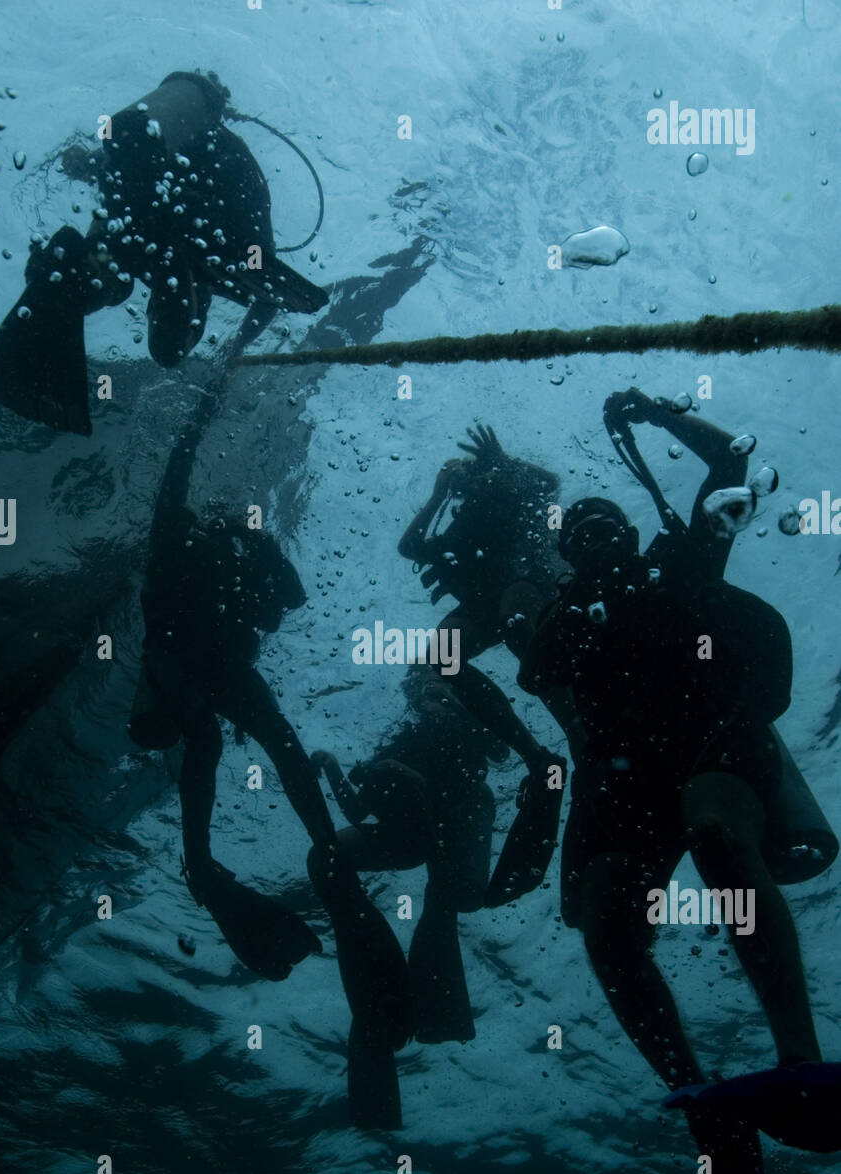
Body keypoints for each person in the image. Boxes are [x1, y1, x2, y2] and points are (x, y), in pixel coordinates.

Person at [519, 387, 840, 1174]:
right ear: (565, 553)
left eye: (604, 519)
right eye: (577, 527)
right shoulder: (561, 622)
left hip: (714, 736)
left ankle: (798, 1057)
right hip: (623, 776)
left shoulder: (686, 559)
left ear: (632, 530)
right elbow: (542, 686)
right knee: (609, 925)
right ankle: (704, 1106)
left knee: (717, 833)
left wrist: (660, 415)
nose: (593, 531)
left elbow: (731, 463)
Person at [129, 395, 413, 1126]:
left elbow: (180, 472)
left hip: (201, 658)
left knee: (226, 738)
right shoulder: (188, 556)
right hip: (209, 661)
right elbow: (181, 472)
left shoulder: (180, 547)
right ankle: (300, 853)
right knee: (242, 739)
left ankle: (228, 861)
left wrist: (205, 410)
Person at [0, 70, 328, 435]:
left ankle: (78, 264)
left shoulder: (186, 143)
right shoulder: (234, 158)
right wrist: (236, 347)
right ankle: (139, 264)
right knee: (168, 349)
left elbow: (112, 159)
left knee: (110, 261)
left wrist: (85, 164)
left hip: (141, 208)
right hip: (183, 234)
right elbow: (264, 278)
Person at [398, 425, 568, 904]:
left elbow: (549, 483)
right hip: (480, 605)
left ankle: (568, 712)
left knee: (516, 618)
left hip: (525, 587)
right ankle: (535, 753)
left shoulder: (516, 498)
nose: (471, 483)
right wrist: (436, 495)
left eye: (477, 474)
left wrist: (505, 460)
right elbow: (410, 548)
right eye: (462, 479)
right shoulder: (458, 524)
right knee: (439, 658)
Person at [311, 666, 508, 1044]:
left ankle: (434, 1013)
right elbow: (356, 810)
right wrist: (332, 765)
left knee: (456, 898)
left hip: (452, 832)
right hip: (406, 837)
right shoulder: (401, 740)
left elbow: (499, 749)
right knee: (324, 859)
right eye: (418, 691)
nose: (424, 698)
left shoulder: (468, 730)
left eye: (432, 688)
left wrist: (454, 702)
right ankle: (382, 980)